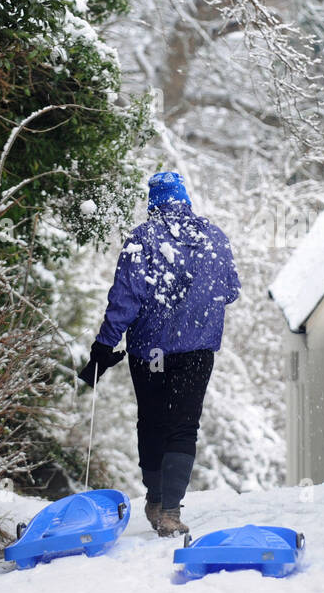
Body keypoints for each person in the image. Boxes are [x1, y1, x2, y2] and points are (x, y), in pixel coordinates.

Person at [80, 171, 240, 537]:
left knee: (152, 422)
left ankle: (155, 498)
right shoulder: (213, 238)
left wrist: (104, 346)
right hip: (197, 350)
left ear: (153, 204)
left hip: (149, 350)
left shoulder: (142, 239)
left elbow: (124, 299)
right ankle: (170, 510)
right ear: (185, 199)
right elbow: (230, 290)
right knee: (184, 426)